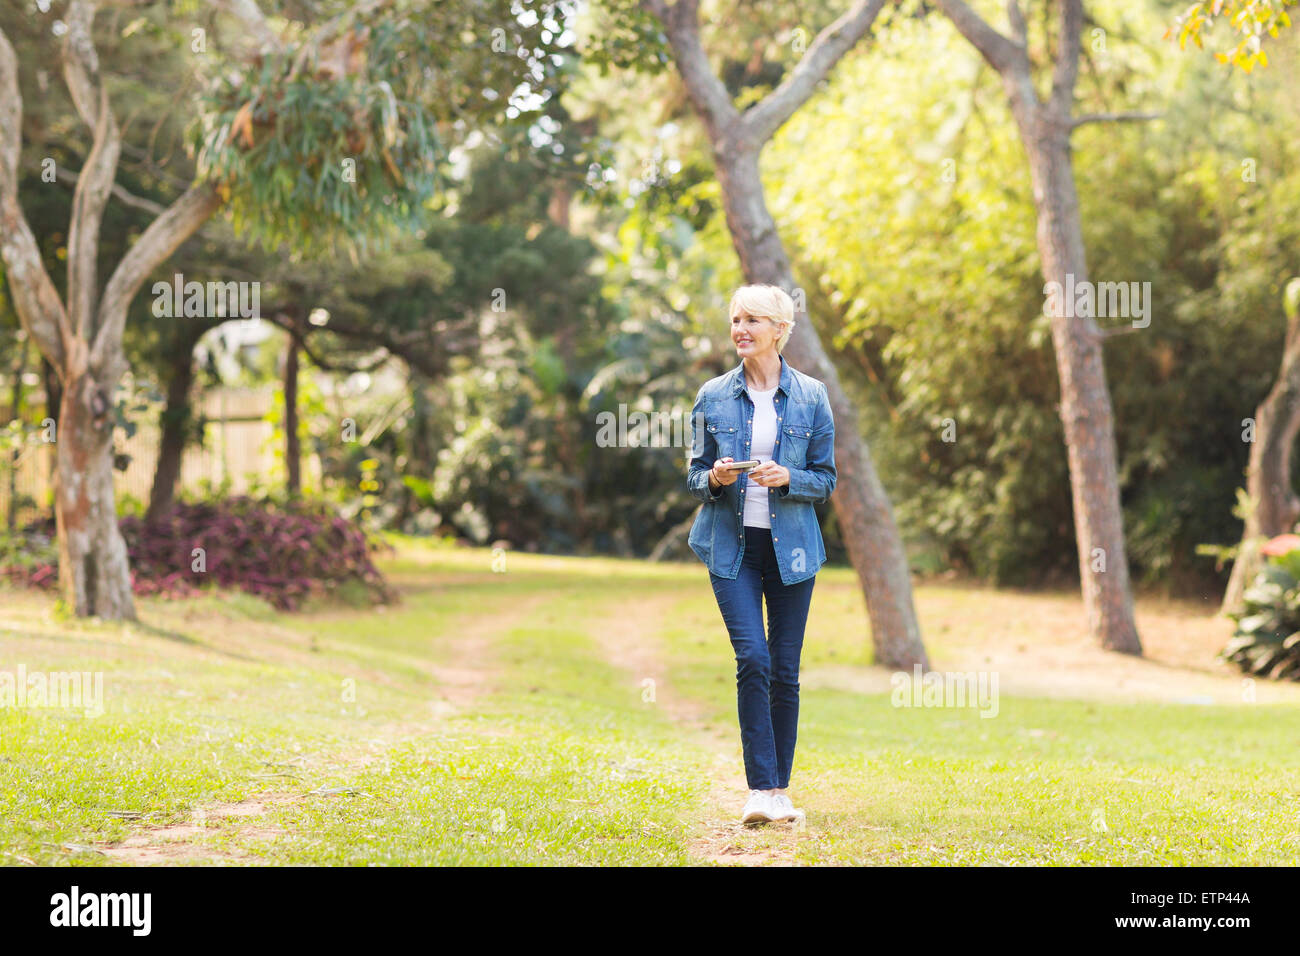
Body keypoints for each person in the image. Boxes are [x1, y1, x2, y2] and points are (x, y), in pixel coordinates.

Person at [686, 284, 837, 826]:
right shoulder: (713, 395)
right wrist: (716, 478)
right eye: (735, 319)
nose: (740, 329)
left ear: (779, 328)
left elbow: (826, 479)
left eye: (752, 319)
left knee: (786, 669)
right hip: (732, 551)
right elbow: (694, 473)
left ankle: (779, 791)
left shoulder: (813, 397)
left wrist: (789, 476)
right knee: (753, 658)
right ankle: (758, 789)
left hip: (793, 552)